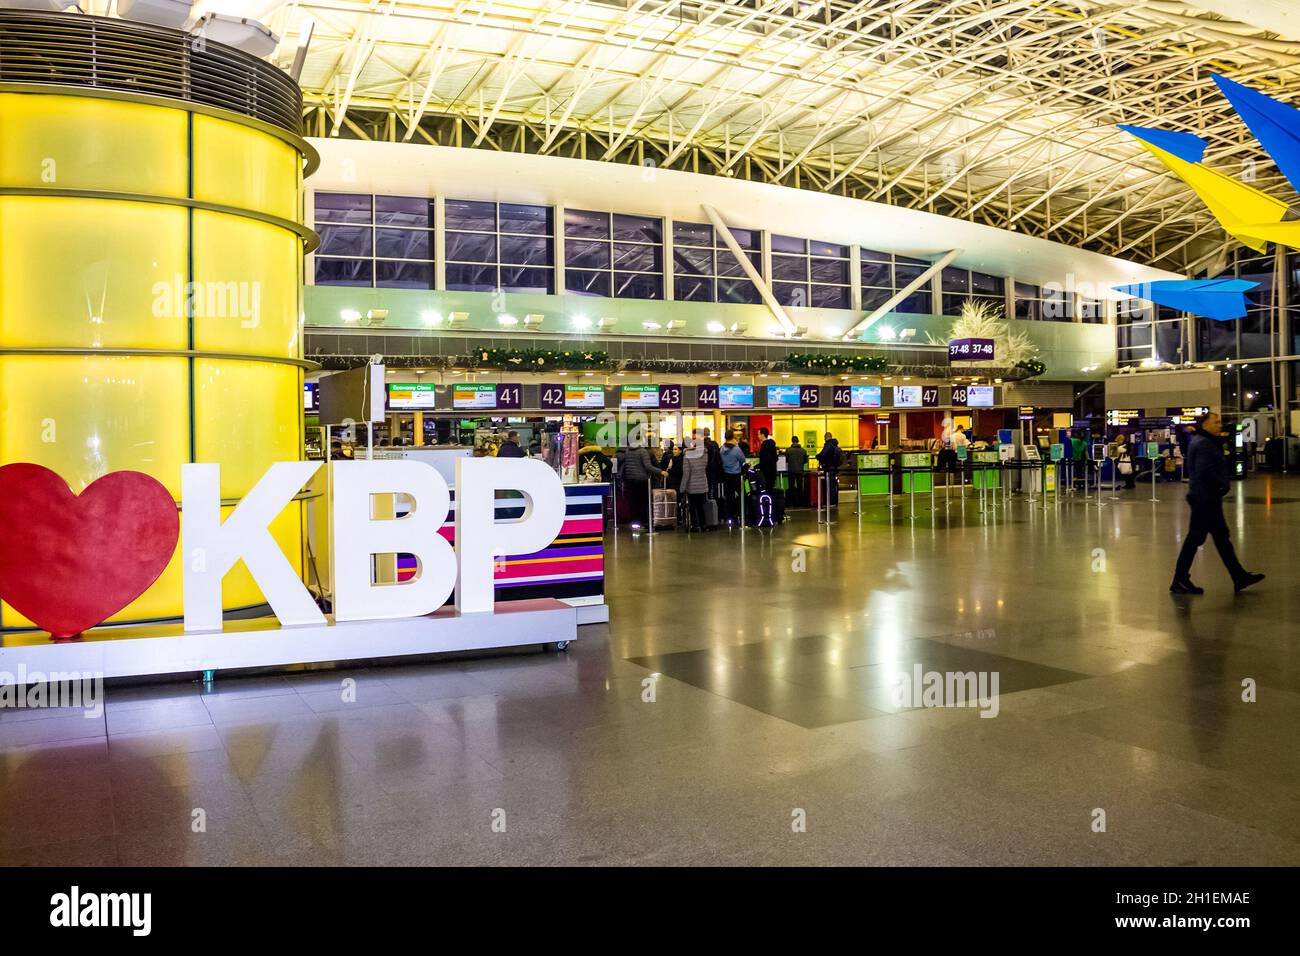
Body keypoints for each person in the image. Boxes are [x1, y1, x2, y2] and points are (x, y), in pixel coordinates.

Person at [1171, 412, 1264, 594]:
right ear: (1205, 424)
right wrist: (1223, 485)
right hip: (1205, 499)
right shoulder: (1204, 443)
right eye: (1216, 422)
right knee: (1196, 538)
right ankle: (1180, 579)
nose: (1220, 425)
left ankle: (1238, 576)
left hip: (1205, 498)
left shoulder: (1200, 440)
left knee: (1221, 538)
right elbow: (1205, 471)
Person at [620, 440, 666, 528]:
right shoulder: (642, 451)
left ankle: (635, 523)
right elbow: (648, 466)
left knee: (633, 503)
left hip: (630, 480)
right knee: (644, 503)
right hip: (642, 480)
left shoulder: (628, 451)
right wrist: (660, 472)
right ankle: (645, 523)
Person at [679, 436, 711, 532]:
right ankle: (704, 525)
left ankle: (695, 526)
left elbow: (686, 473)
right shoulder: (705, 454)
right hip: (702, 483)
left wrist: (682, 487)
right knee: (701, 506)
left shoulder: (687, 455)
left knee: (692, 507)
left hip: (692, 485)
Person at [720, 432, 747, 524]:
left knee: (729, 497)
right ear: (732, 438)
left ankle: (730, 516)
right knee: (741, 495)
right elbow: (743, 460)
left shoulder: (722, 449)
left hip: (726, 475)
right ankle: (741, 514)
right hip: (736, 475)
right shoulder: (736, 449)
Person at [815, 432, 843, 506]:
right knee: (833, 485)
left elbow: (822, 454)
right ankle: (834, 501)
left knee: (829, 485)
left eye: (824, 437)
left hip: (828, 467)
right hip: (834, 467)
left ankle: (830, 502)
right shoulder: (834, 444)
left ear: (827, 437)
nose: (824, 438)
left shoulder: (828, 445)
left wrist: (817, 456)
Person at [785, 436, 808, 507]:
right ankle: (800, 502)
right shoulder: (803, 451)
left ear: (792, 441)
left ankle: (792, 502)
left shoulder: (788, 450)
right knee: (800, 487)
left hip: (791, 470)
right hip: (800, 470)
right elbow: (805, 461)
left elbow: (786, 460)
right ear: (798, 441)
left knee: (791, 487)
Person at [756, 427, 778, 492]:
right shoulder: (772, 444)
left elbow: (765, 459)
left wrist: (758, 466)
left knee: (766, 489)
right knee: (770, 489)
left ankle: (766, 501)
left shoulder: (764, 445)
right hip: (772, 471)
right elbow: (776, 458)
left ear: (762, 435)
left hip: (766, 472)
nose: (758, 436)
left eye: (758, 434)